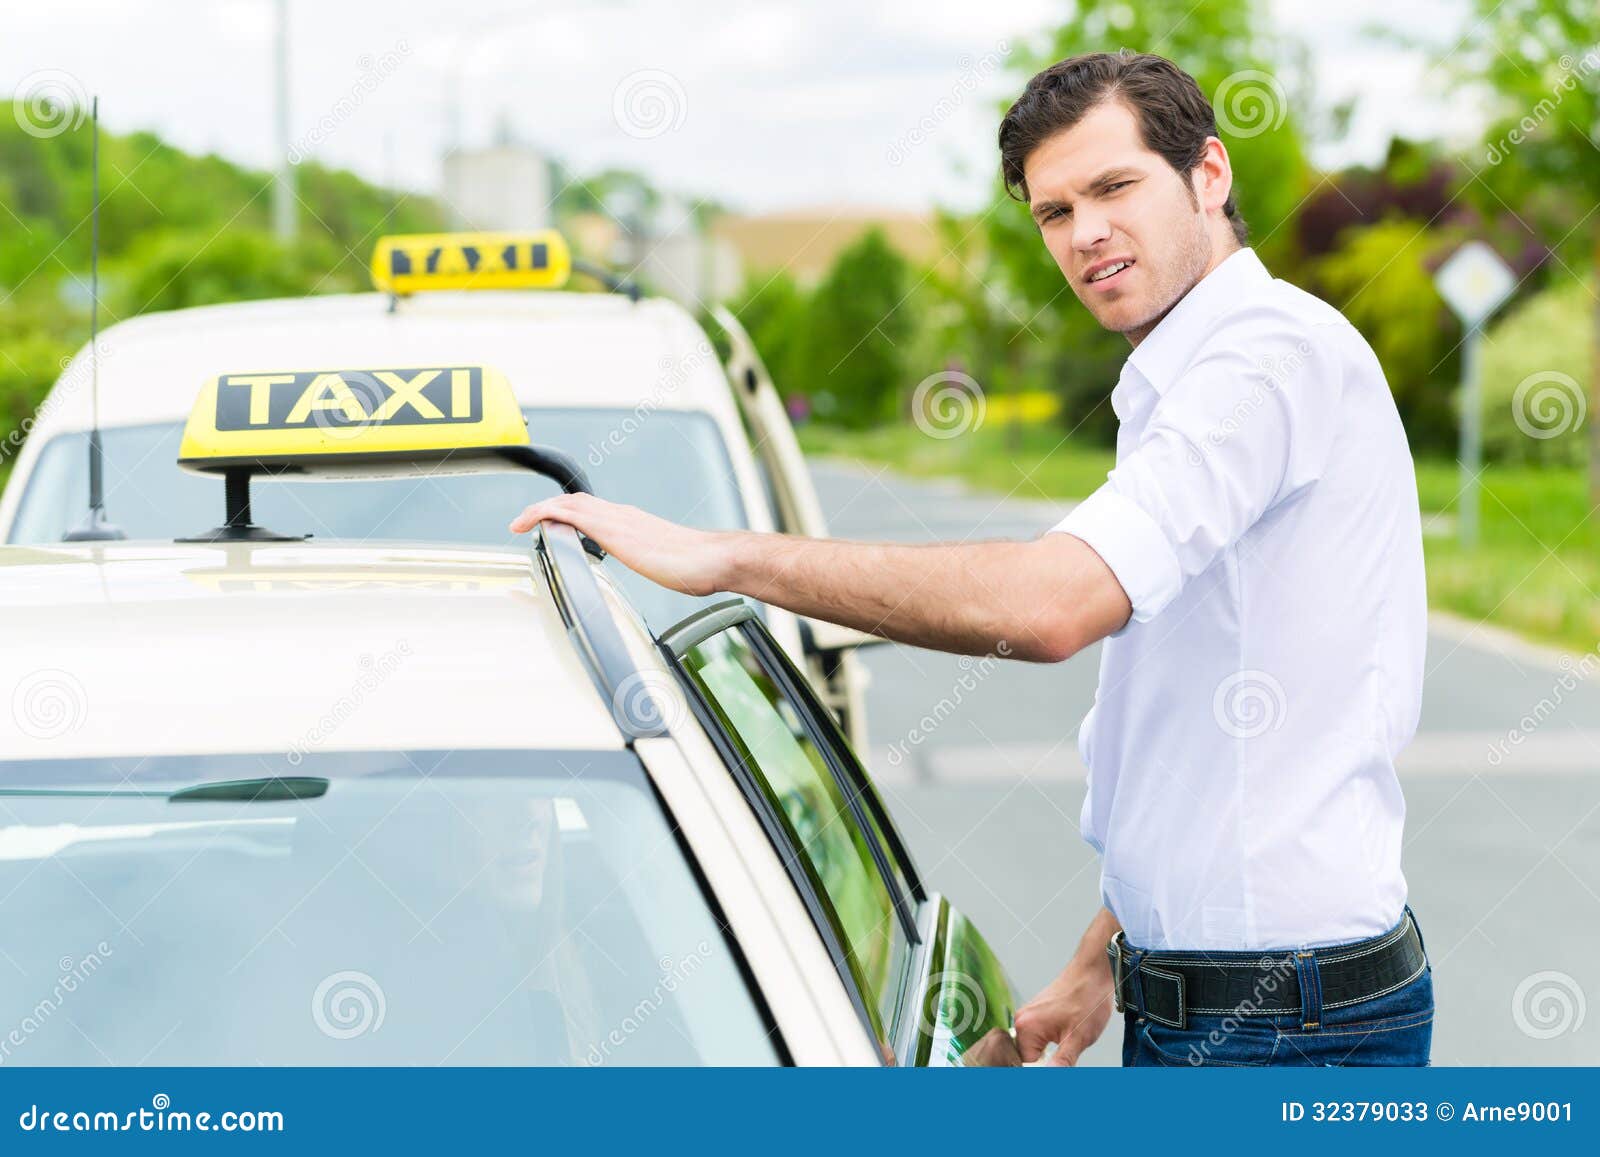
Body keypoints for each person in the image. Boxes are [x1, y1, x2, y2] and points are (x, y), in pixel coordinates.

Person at [510, 50, 1432, 1067]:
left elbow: (1048, 606)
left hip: (1284, 1028)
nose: (1085, 233)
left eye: (1115, 187)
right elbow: (1203, 748)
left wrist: (726, 555)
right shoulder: (1189, 376)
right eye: (1055, 211)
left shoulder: (1263, 361)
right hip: (1227, 1000)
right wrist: (1104, 957)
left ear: (1207, 175)